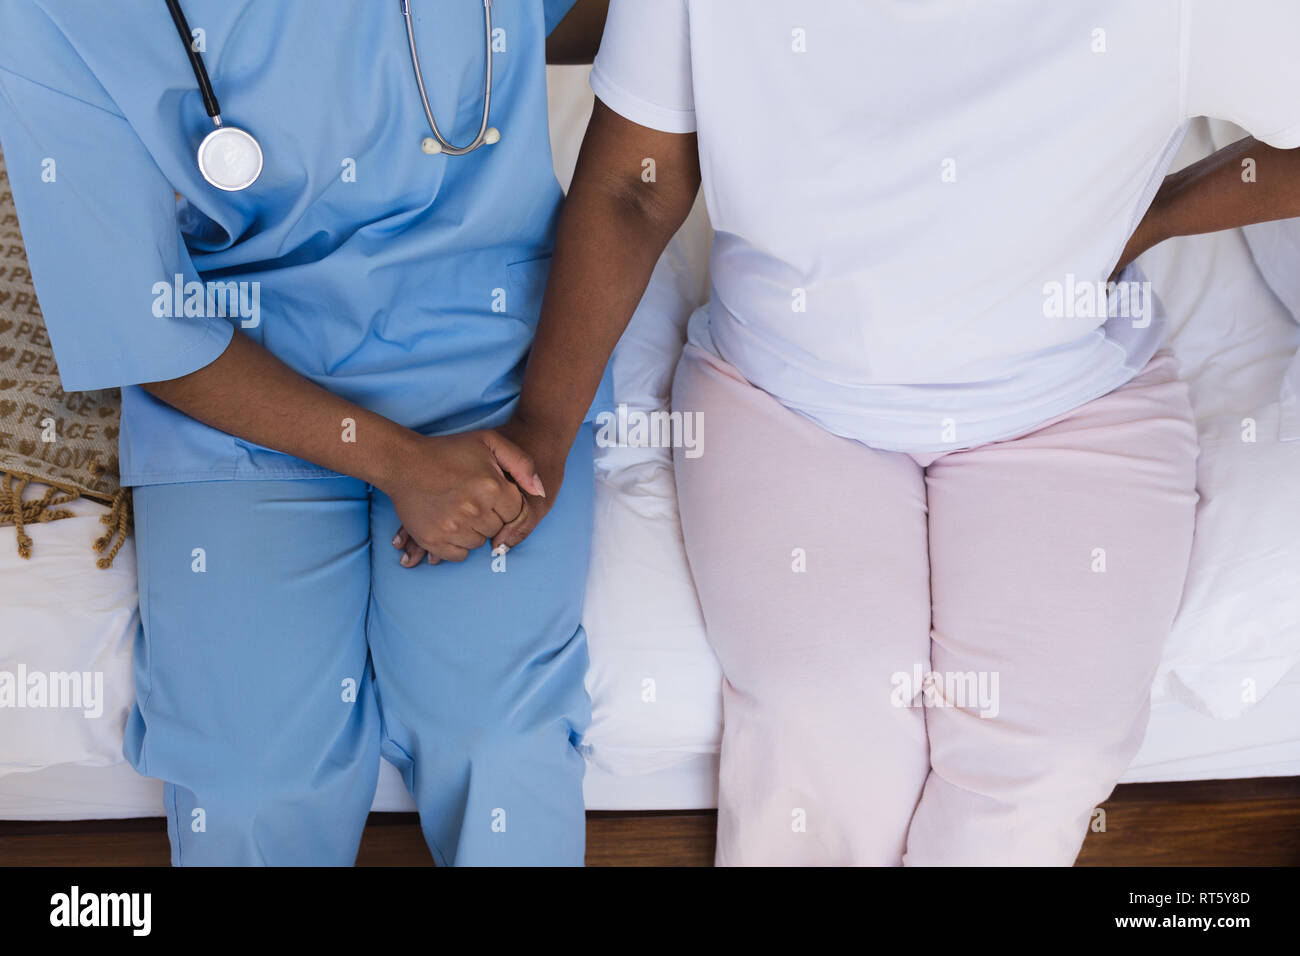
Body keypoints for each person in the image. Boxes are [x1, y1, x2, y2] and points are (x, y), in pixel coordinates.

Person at [458, 0, 1300, 864]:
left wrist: (1155, 214)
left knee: (1046, 758)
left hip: (1068, 397)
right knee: (821, 726)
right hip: (783, 391)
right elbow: (634, 184)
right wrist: (545, 426)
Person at [0, 0, 612, 866]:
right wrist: (400, 462)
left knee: (499, 742)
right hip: (239, 369)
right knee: (249, 783)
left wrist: (533, 428)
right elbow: (138, 314)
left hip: (486, 342)